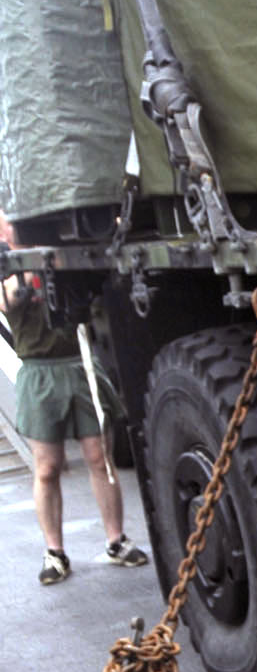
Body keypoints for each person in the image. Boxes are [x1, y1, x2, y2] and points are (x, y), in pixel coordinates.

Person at [0, 227, 149, 583]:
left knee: (101, 458)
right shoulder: (10, 266)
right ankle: (55, 552)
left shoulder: (63, 255)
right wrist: (24, 275)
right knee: (47, 467)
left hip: (80, 363)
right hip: (39, 370)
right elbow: (8, 301)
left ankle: (116, 541)